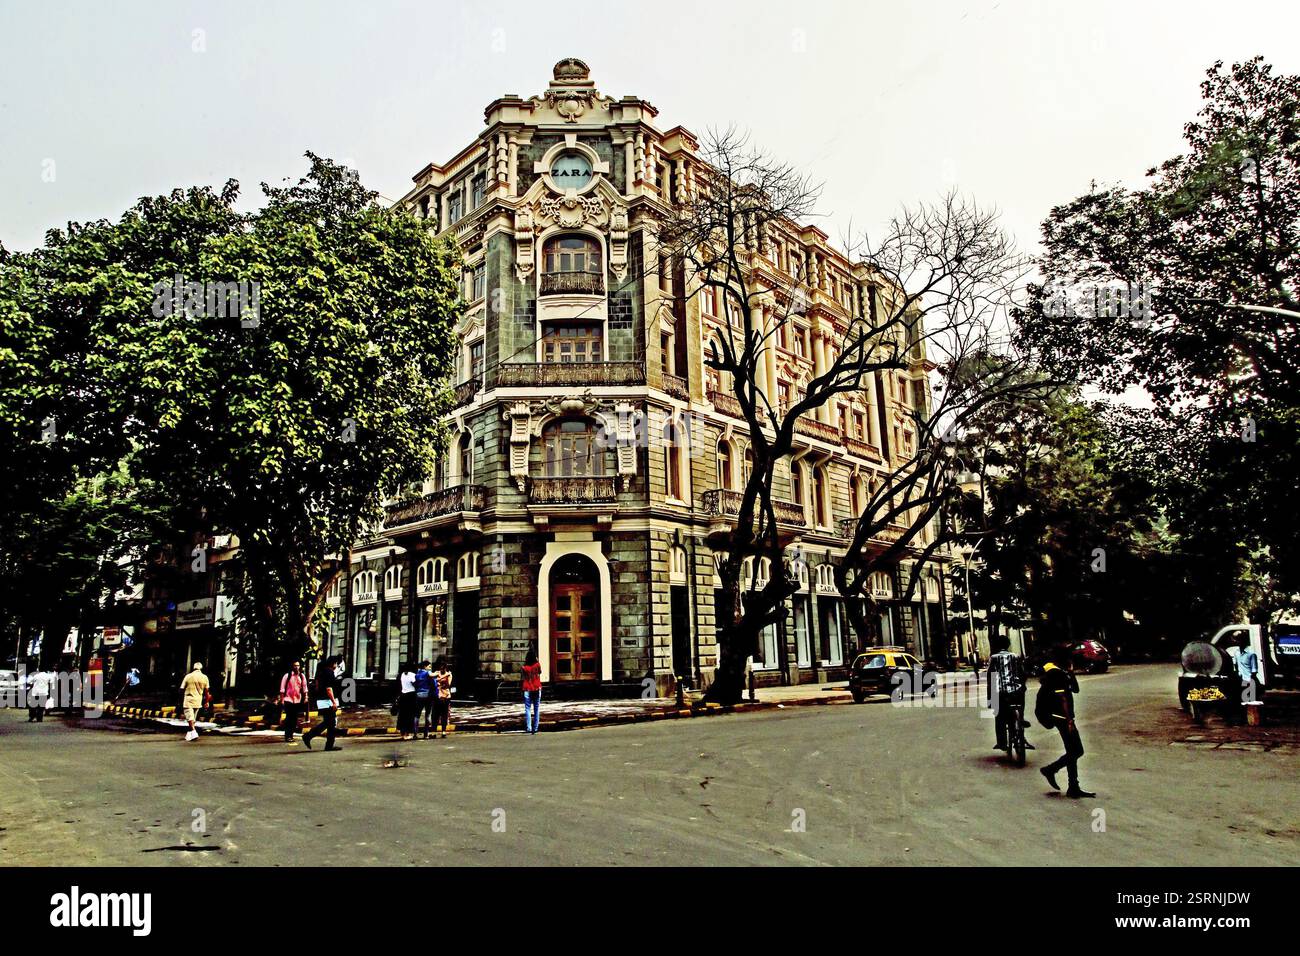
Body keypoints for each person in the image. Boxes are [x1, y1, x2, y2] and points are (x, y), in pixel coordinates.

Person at [1038, 644, 1095, 798]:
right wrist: (1069, 721)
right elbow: (1062, 698)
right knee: (1077, 750)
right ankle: (1051, 769)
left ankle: (1073, 786)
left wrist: (1071, 672)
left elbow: (1075, 689)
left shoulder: (1061, 672)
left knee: (1072, 751)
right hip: (1060, 716)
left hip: (1061, 716)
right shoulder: (1055, 674)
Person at [986, 634, 1034, 753]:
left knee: (999, 716)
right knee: (1020, 708)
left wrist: (990, 699)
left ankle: (1002, 742)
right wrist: (1022, 685)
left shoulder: (994, 658)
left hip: (1000, 692)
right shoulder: (1015, 656)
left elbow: (990, 677)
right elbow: (1022, 673)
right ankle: (1020, 720)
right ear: (1008, 645)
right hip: (1016, 691)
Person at [302, 656, 343, 751]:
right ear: (333, 664)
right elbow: (329, 689)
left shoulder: (321, 672)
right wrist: (334, 702)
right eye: (336, 664)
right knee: (330, 723)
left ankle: (327, 744)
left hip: (321, 701)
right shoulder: (329, 673)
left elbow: (318, 686)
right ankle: (309, 736)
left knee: (329, 723)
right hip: (327, 702)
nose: (336, 666)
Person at [278, 660, 308, 743]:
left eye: (298, 665)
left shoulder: (302, 676)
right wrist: (282, 699)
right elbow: (282, 689)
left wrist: (306, 697)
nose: (297, 667)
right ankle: (288, 735)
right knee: (289, 718)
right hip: (288, 699)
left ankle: (291, 734)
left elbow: (305, 688)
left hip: (297, 700)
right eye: (295, 665)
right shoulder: (287, 676)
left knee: (294, 719)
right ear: (292, 666)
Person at [179, 662, 209, 742]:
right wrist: (206, 702)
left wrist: (180, 699)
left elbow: (181, 688)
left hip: (188, 700)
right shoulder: (205, 677)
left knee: (190, 718)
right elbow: (207, 691)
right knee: (193, 718)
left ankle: (193, 731)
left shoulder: (188, 676)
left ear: (193, 668)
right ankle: (189, 734)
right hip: (198, 700)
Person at [521, 649, 542, 735]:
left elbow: (523, 677)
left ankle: (529, 727)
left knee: (527, 708)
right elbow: (540, 672)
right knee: (536, 708)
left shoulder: (524, 668)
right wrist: (537, 661)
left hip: (527, 688)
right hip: (537, 687)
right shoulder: (537, 665)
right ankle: (536, 727)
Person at [396, 662, 418, 740]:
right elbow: (415, 684)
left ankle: (402, 733)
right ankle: (407, 733)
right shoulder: (412, 675)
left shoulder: (401, 675)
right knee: (410, 715)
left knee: (402, 715)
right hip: (411, 696)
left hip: (403, 695)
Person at [414, 661, 435, 739]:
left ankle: (415, 734)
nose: (430, 668)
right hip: (427, 695)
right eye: (429, 666)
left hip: (419, 695)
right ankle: (426, 734)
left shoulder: (417, 675)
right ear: (425, 667)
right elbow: (433, 685)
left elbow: (415, 685)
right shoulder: (428, 674)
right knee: (427, 714)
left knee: (417, 715)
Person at [432, 658, 452, 739]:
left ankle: (443, 731)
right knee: (435, 715)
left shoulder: (449, 674)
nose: (442, 669)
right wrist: (444, 677)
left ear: (445, 668)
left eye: (443, 668)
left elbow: (447, 685)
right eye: (441, 668)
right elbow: (434, 682)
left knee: (444, 714)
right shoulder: (438, 673)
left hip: (445, 696)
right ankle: (434, 731)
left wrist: (440, 682)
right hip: (437, 696)